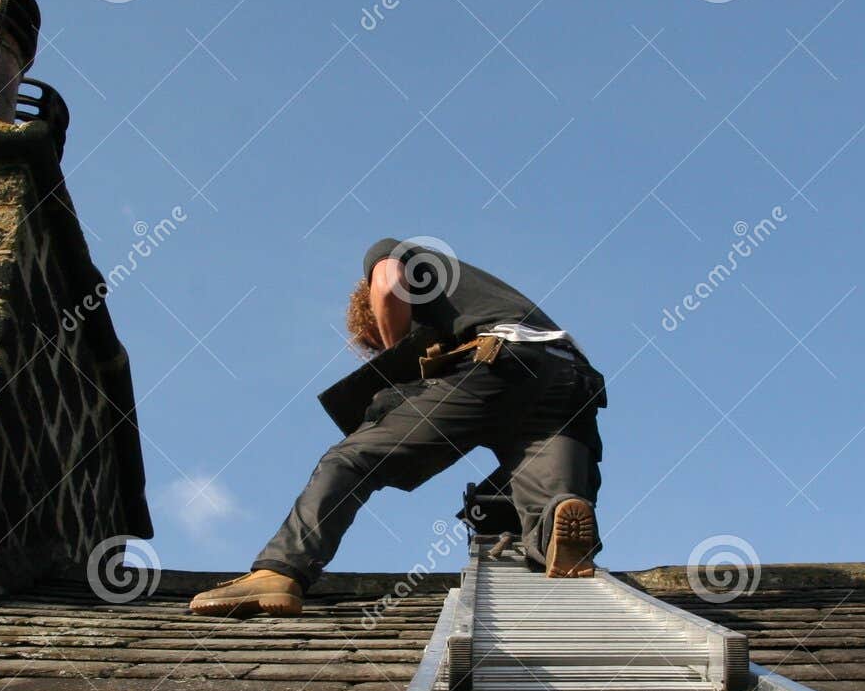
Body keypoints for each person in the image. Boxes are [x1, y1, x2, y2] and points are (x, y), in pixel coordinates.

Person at [189, 237, 607, 618]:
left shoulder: (394, 251)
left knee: (351, 459)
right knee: (550, 502)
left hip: (501, 360)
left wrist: (397, 359)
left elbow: (388, 287)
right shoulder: (481, 300)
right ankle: (558, 532)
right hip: (571, 381)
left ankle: (280, 571)